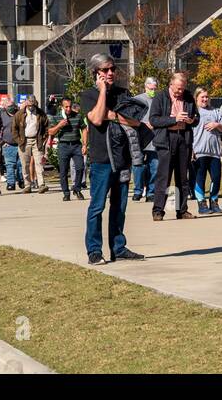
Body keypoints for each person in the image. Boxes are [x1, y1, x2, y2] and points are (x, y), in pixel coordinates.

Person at [81, 53, 144, 265]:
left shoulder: (123, 93)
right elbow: (97, 118)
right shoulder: (88, 95)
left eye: (112, 69)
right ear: (96, 73)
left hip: (122, 159)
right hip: (101, 160)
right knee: (97, 206)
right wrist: (102, 93)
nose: (110, 73)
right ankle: (94, 251)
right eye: (106, 70)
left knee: (120, 206)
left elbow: (136, 121)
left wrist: (114, 115)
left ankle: (118, 247)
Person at [147, 71, 199, 221]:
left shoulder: (188, 97)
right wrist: (173, 119)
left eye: (182, 88)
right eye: (177, 88)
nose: (180, 91)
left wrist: (191, 121)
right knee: (164, 177)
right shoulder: (160, 97)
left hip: (183, 138)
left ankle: (182, 210)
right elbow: (154, 120)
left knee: (183, 178)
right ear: (171, 85)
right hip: (166, 140)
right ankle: (158, 210)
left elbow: (197, 117)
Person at [192, 87, 222, 214]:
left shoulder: (216, 112)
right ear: (196, 98)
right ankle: (202, 204)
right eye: (202, 97)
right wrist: (191, 150)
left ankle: (214, 202)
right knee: (200, 178)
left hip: (215, 152)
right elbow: (188, 132)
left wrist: (217, 125)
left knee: (216, 177)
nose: (205, 99)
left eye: (207, 97)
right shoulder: (193, 112)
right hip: (199, 151)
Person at [52, 95, 86, 201]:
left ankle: (77, 189)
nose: (68, 109)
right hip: (64, 145)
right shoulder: (57, 117)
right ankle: (66, 193)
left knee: (80, 167)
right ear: (62, 107)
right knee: (63, 171)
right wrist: (59, 125)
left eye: (70, 106)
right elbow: (50, 132)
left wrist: (84, 144)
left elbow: (84, 129)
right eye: (66, 107)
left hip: (76, 145)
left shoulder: (78, 116)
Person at [131, 76, 159, 201]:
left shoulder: (159, 100)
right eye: (150, 88)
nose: (153, 90)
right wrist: (142, 123)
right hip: (139, 138)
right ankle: (138, 190)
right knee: (138, 166)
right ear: (145, 86)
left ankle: (151, 192)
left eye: (155, 88)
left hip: (154, 138)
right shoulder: (137, 99)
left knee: (154, 165)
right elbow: (129, 117)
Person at [14, 95, 49, 194]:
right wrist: (18, 140)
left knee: (39, 163)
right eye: (29, 104)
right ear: (26, 103)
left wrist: (43, 138)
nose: (31, 106)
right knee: (25, 164)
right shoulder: (19, 114)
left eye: (32, 104)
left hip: (37, 140)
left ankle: (41, 184)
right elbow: (14, 128)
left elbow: (46, 125)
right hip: (24, 141)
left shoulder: (40, 113)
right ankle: (27, 185)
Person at [0, 93, 23, 190]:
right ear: (5, 106)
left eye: (12, 105)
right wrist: (2, 142)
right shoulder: (2, 115)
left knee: (20, 165)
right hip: (8, 144)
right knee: (9, 165)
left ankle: (21, 181)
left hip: (20, 144)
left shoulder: (20, 114)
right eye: (9, 105)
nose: (11, 107)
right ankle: (11, 183)